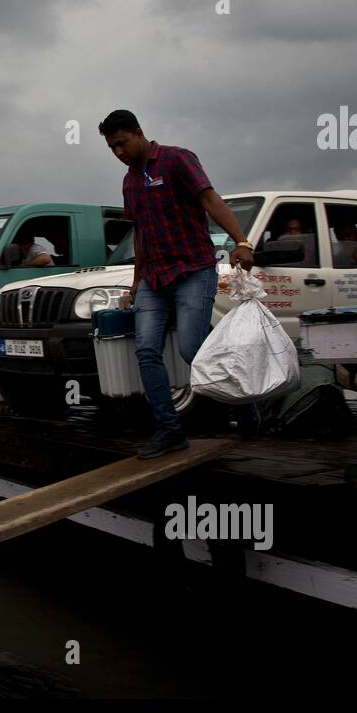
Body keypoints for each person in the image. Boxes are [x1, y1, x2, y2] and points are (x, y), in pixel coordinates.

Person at [99, 110, 257, 459]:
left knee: (191, 349)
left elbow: (210, 199)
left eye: (122, 143)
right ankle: (170, 430)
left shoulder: (177, 159)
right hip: (154, 279)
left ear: (139, 133)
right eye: (112, 148)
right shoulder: (129, 182)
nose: (119, 152)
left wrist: (241, 241)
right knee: (146, 350)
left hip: (193, 270)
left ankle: (243, 403)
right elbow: (140, 233)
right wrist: (136, 283)